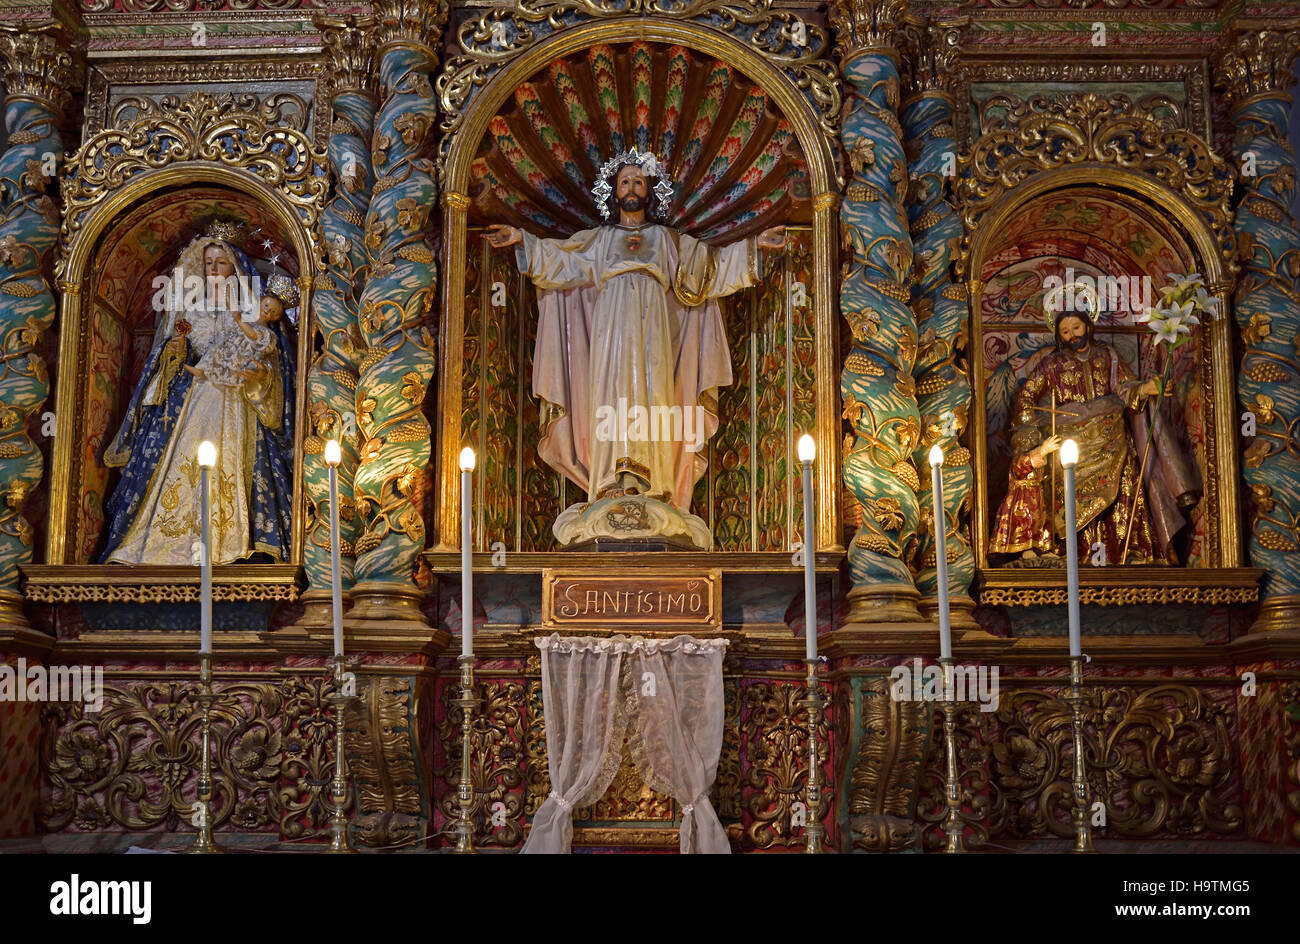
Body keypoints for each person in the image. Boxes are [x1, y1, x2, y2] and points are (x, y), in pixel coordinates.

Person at [485, 149, 785, 529]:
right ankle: (610, 483)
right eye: (625, 181)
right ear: (615, 191)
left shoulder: (667, 241)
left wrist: (754, 248)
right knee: (609, 397)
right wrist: (521, 239)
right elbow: (559, 260)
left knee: (655, 395)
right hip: (609, 332)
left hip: (655, 333)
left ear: (649, 191)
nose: (631, 187)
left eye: (638, 182)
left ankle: (655, 486)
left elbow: (711, 269)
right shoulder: (599, 241)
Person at [99, 223, 296, 565]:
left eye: (221, 263)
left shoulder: (253, 307)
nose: (214, 270)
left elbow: (272, 360)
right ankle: (163, 547)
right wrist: (175, 351)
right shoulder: (190, 308)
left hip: (237, 399)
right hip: (196, 396)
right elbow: (175, 353)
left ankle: (233, 544)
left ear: (234, 266)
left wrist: (259, 374)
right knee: (181, 462)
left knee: (233, 463)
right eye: (209, 263)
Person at [989, 293, 1197, 565]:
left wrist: (1145, 389)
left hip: (1111, 435)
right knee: (1067, 487)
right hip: (1070, 439)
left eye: (1076, 328)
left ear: (1088, 326)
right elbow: (1026, 396)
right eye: (1064, 331)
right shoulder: (1051, 364)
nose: (1071, 335)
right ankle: (1075, 553)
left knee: (1126, 482)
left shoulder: (1108, 357)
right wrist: (1029, 429)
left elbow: (1124, 388)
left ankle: (1128, 551)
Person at [185, 283, 285, 388]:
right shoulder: (246, 316)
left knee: (233, 368)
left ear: (276, 317)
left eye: (273, 311)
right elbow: (232, 313)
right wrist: (229, 298)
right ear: (259, 303)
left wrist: (238, 319)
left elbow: (252, 334)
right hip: (229, 348)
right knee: (215, 351)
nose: (267, 310)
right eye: (266, 305)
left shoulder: (267, 333)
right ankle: (201, 369)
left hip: (243, 357)